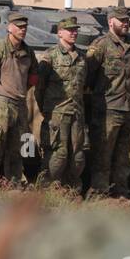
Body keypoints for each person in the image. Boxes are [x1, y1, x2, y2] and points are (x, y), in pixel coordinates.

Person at [86, 3, 130, 198]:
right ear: (111, 22)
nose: (126, 23)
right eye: (122, 20)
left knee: (126, 156)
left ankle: (121, 193)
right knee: (103, 154)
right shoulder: (100, 46)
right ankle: (99, 193)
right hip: (108, 109)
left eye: (128, 20)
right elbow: (89, 77)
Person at [0, 12, 37, 184]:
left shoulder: (29, 52)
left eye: (25, 27)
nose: (22, 30)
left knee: (18, 148)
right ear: (9, 28)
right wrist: (0, 91)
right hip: (1, 104)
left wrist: (21, 91)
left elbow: (33, 77)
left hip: (20, 104)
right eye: (19, 27)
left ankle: (16, 183)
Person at [34, 16, 89, 192]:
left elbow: (84, 85)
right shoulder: (50, 56)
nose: (74, 33)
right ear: (60, 33)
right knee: (58, 154)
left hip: (77, 114)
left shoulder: (82, 57)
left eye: (75, 30)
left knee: (78, 155)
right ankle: (47, 188)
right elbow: (39, 88)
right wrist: (47, 110)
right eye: (70, 30)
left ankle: (72, 189)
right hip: (57, 113)